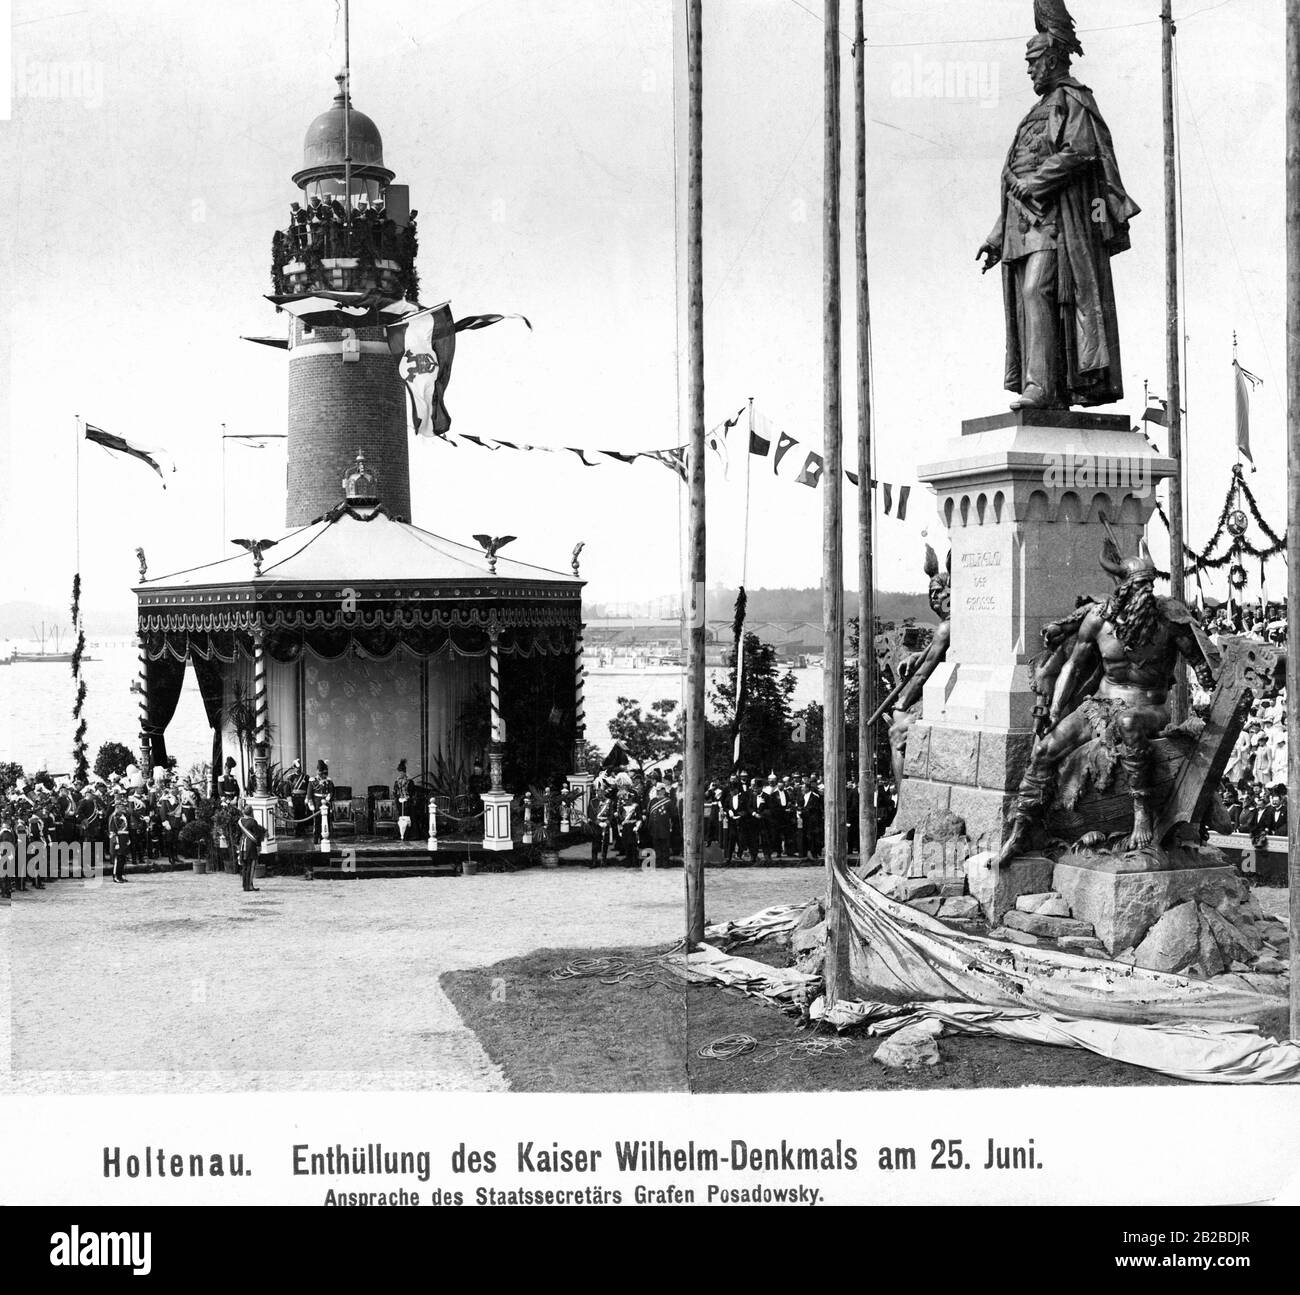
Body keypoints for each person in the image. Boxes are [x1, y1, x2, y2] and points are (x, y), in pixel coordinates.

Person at [976, 6, 1138, 410]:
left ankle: (1042, 387)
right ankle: (1049, 388)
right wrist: (997, 236)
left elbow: (1080, 151)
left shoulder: (1074, 100)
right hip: (1023, 227)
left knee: (1037, 291)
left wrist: (1036, 182)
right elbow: (1014, 177)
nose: (1029, 71)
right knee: (1030, 299)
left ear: (1052, 59)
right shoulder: (1035, 111)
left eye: (1033, 63)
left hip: (1059, 224)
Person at [646, 781, 677, 870]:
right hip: (654, 827)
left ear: (663, 791)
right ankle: (658, 862)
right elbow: (649, 813)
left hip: (664, 827)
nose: (658, 792)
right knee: (656, 845)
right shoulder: (653, 801)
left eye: (659, 790)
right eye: (657, 790)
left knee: (665, 845)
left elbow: (673, 814)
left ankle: (665, 862)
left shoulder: (668, 802)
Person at [236, 803, 264, 892]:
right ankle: (250, 885)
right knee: (251, 866)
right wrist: (259, 846)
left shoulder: (240, 821)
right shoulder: (253, 822)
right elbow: (257, 835)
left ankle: (245, 885)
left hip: (242, 845)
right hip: (250, 846)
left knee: (244, 866)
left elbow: (238, 834)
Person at [310, 760, 334, 845]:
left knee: (326, 821)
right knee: (317, 822)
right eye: (320, 772)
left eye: (323, 773)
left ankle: (324, 837)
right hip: (317, 803)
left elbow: (331, 791)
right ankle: (316, 839)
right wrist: (311, 804)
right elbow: (310, 794)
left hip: (326, 803)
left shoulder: (328, 781)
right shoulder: (313, 781)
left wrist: (329, 796)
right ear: (317, 771)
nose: (322, 775)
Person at [108, 798, 131, 883]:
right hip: (118, 839)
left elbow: (126, 828)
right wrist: (116, 841)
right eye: (122, 806)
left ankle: (121, 874)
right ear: (117, 807)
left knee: (123, 858)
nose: (124, 808)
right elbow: (112, 831)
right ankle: (116, 876)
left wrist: (128, 839)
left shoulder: (124, 816)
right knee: (118, 858)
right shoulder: (113, 816)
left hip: (124, 838)